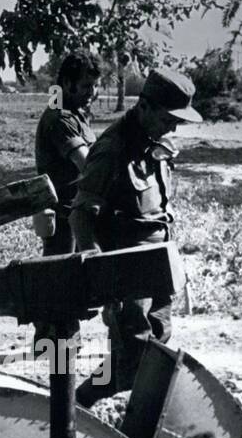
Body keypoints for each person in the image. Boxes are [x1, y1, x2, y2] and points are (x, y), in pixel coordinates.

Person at [68, 68, 201, 407]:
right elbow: (82, 213)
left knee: (157, 350)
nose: (173, 127)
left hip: (158, 264)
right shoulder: (112, 149)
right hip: (127, 270)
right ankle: (77, 405)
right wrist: (101, 272)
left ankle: (138, 431)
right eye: (168, 118)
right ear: (144, 107)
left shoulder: (154, 143)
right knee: (131, 360)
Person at [32, 49, 101, 360]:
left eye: (95, 85)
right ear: (68, 84)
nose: (93, 92)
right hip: (62, 211)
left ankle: (55, 339)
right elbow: (87, 164)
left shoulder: (74, 114)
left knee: (64, 275)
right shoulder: (60, 118)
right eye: (86, 86)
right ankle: (55, 342)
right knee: (60, 275)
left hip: (75, 209)